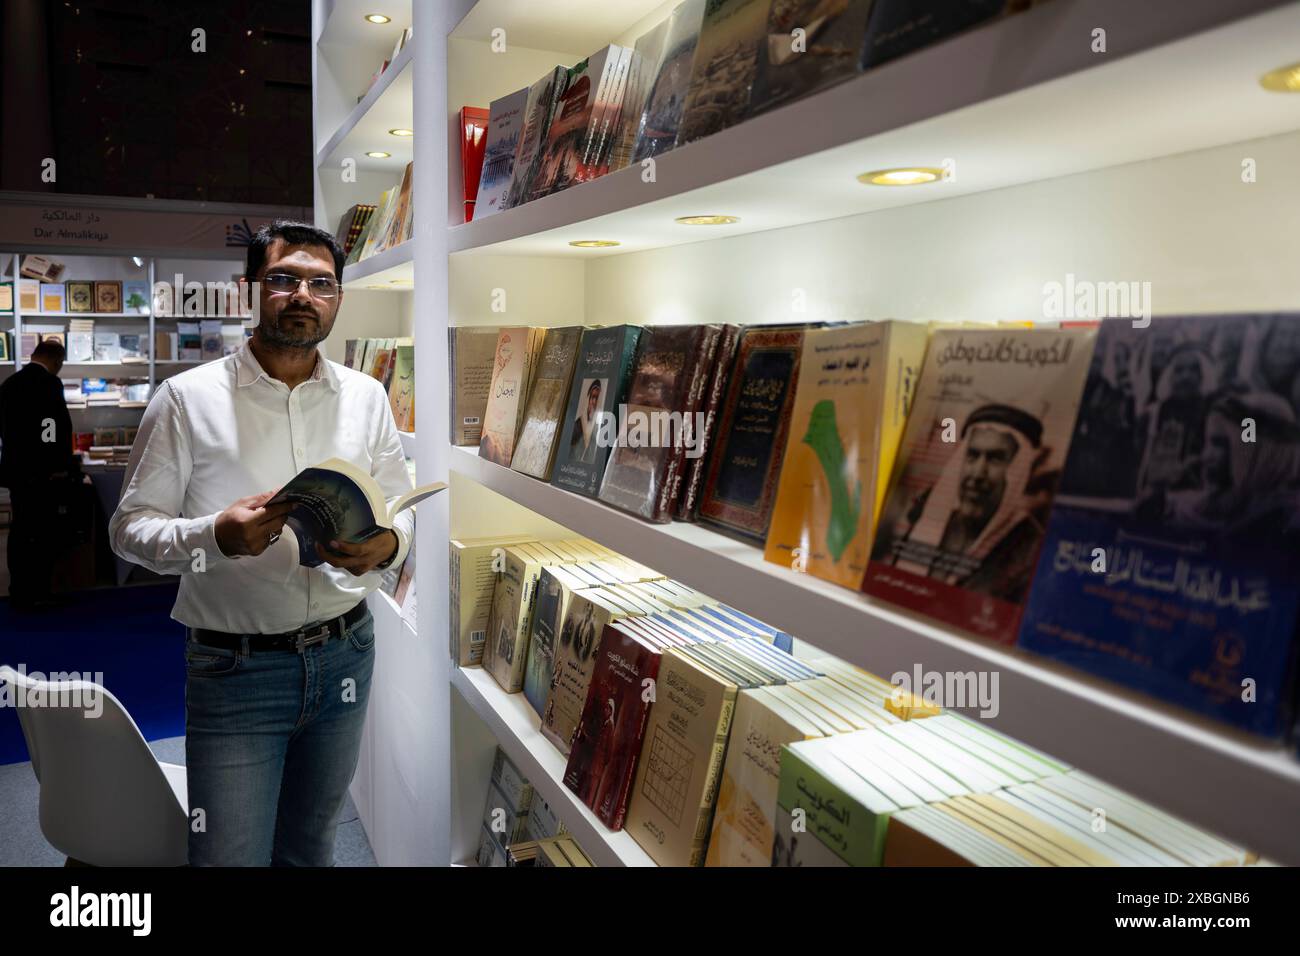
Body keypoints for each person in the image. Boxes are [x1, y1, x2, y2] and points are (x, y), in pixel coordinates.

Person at [109, 220, 414, 867]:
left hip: (345, 655)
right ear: (251, 288)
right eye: (284, 279)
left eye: (321, 283)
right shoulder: (186, 401)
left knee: (309, 849)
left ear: (337, 298)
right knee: (228, 856)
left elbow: (400, 499)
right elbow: (129, 528)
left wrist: (387, 545)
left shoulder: (366, 396)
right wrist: (213, 535)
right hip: (235, 671)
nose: (303, 294)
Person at [884, 404, 1050, 603]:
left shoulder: (1032, 551)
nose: (978, 473)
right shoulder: (926, 522)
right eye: (972, 456)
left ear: (1017, 472)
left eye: (995, 459)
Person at [0, 339, 82, 610]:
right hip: (43, 472)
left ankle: (19, 591)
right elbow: (51, 427)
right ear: (57, 361)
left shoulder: (10, 384)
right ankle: (39, 591)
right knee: (43, 533)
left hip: (16, 470)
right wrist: (58, 463)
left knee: (21, 529)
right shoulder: (48, 384)